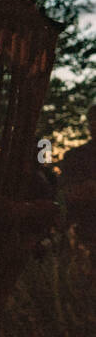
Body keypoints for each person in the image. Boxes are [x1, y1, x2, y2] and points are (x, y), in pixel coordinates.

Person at [60, 103, 96, 249]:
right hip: (84, 230)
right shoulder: (75, 157)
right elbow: (69, 193)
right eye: (93, 121)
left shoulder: (74, 156)